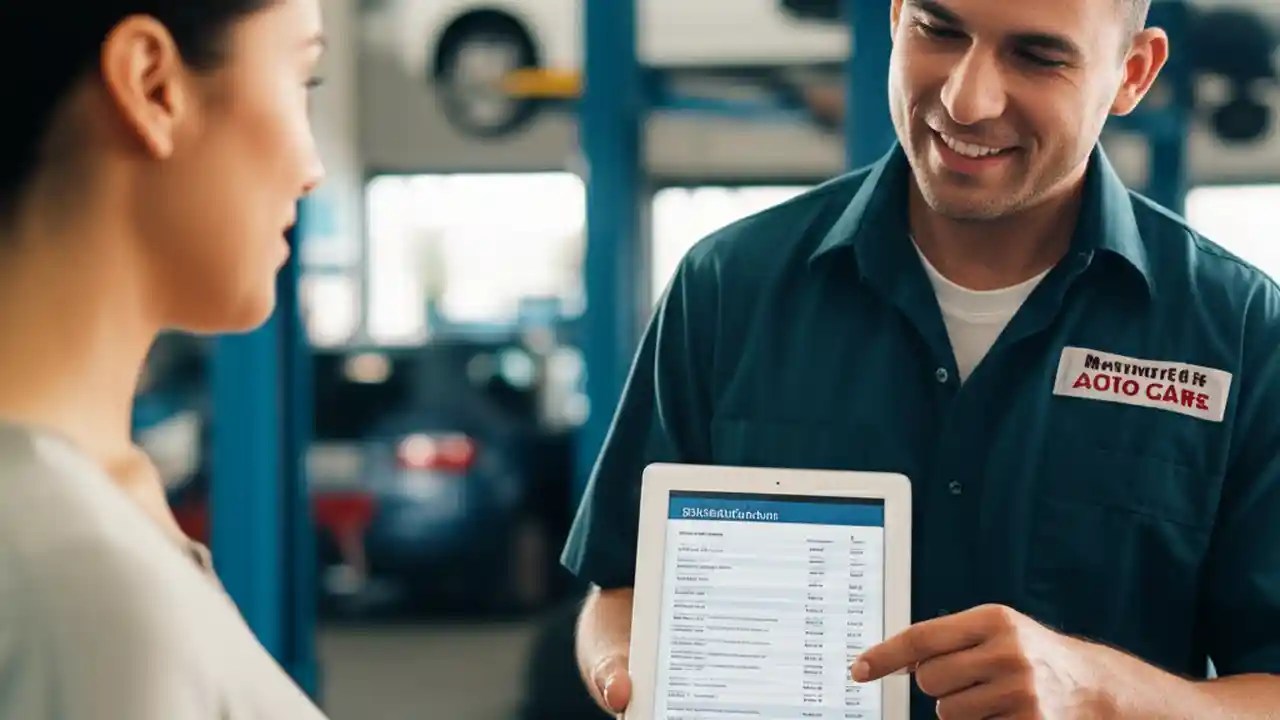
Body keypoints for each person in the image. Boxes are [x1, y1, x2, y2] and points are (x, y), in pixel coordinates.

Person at [561, 0, 1280, 717]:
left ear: (1133, 72)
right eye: (939, 31)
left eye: (1037, 56)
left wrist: (1099, 691)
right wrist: (625, 670)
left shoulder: (1239, 330)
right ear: (898, 15)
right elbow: (621, 587)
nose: (967, 101)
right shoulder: (728, 287)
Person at [0, 2, 329, 718]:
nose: (313, 169)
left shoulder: (92, 511)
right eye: (305, 77)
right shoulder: (71, 576)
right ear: (153, 86)